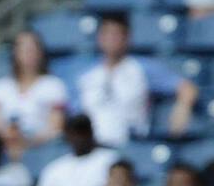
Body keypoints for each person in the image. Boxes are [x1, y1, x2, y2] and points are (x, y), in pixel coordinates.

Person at [75, 14, 197, 148]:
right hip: (92, 146)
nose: (111, 39)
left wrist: (182, 108)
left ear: (127, 38)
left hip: (130, 144)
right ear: (99, 38)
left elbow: (187, 89)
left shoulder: (142, 68)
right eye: (106, 34)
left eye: (116, 35)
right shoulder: (86, 75)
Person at [0, 30, 68, 157]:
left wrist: (28, 141)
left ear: (41, 53)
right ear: (14, 53)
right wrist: (9, 136)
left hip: (42, 151)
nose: (28, 54)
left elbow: (56, 126)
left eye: (32, 49)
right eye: (23, 49)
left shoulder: (53, 85)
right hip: (4, 151)